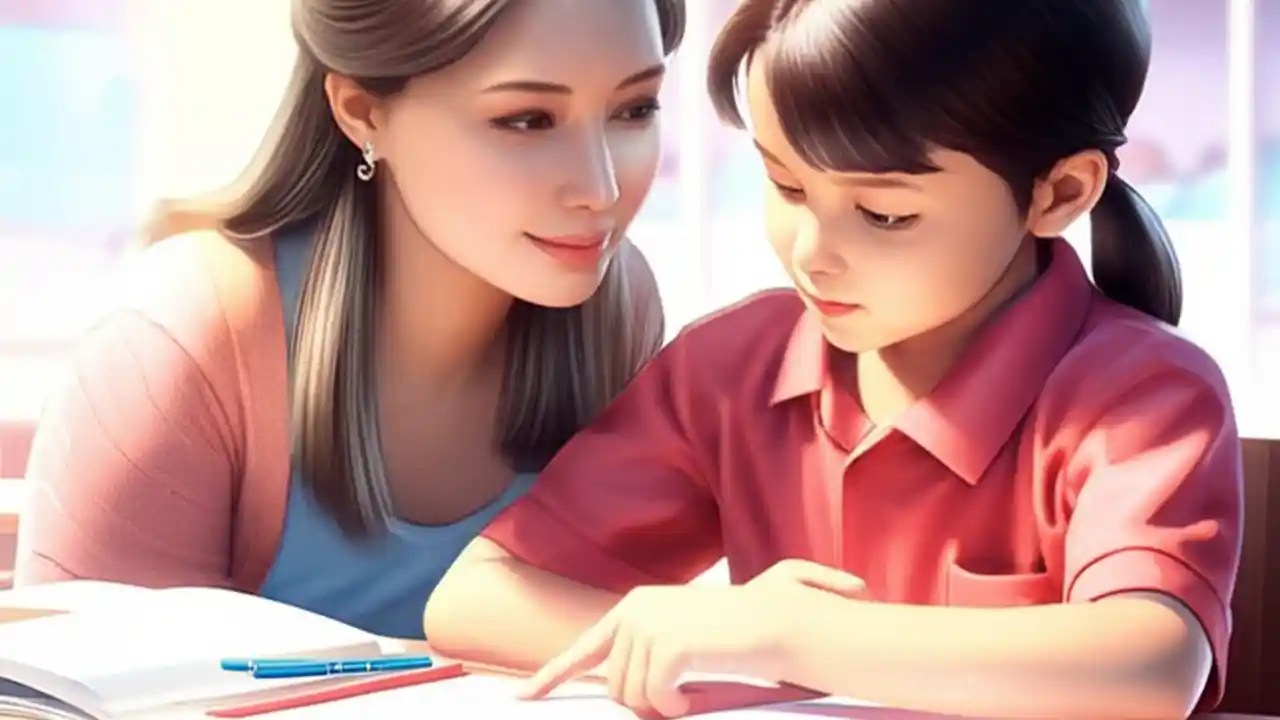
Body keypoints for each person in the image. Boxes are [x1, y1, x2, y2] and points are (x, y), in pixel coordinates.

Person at [424, 1, 1244, 717]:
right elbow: (476, 599)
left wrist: (790, 638)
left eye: (883, 215)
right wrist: (712, 643)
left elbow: (1153, 665)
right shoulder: (734, 366)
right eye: (786, 188)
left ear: (1058, 193)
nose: (810, 254)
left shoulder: (1143, 396)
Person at [14, 0, 685, 640]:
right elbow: (86, 693)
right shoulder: (180, 345)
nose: (600, 189)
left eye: (634, 109)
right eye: (527, 119)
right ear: (362, 111)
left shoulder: (617, 313)